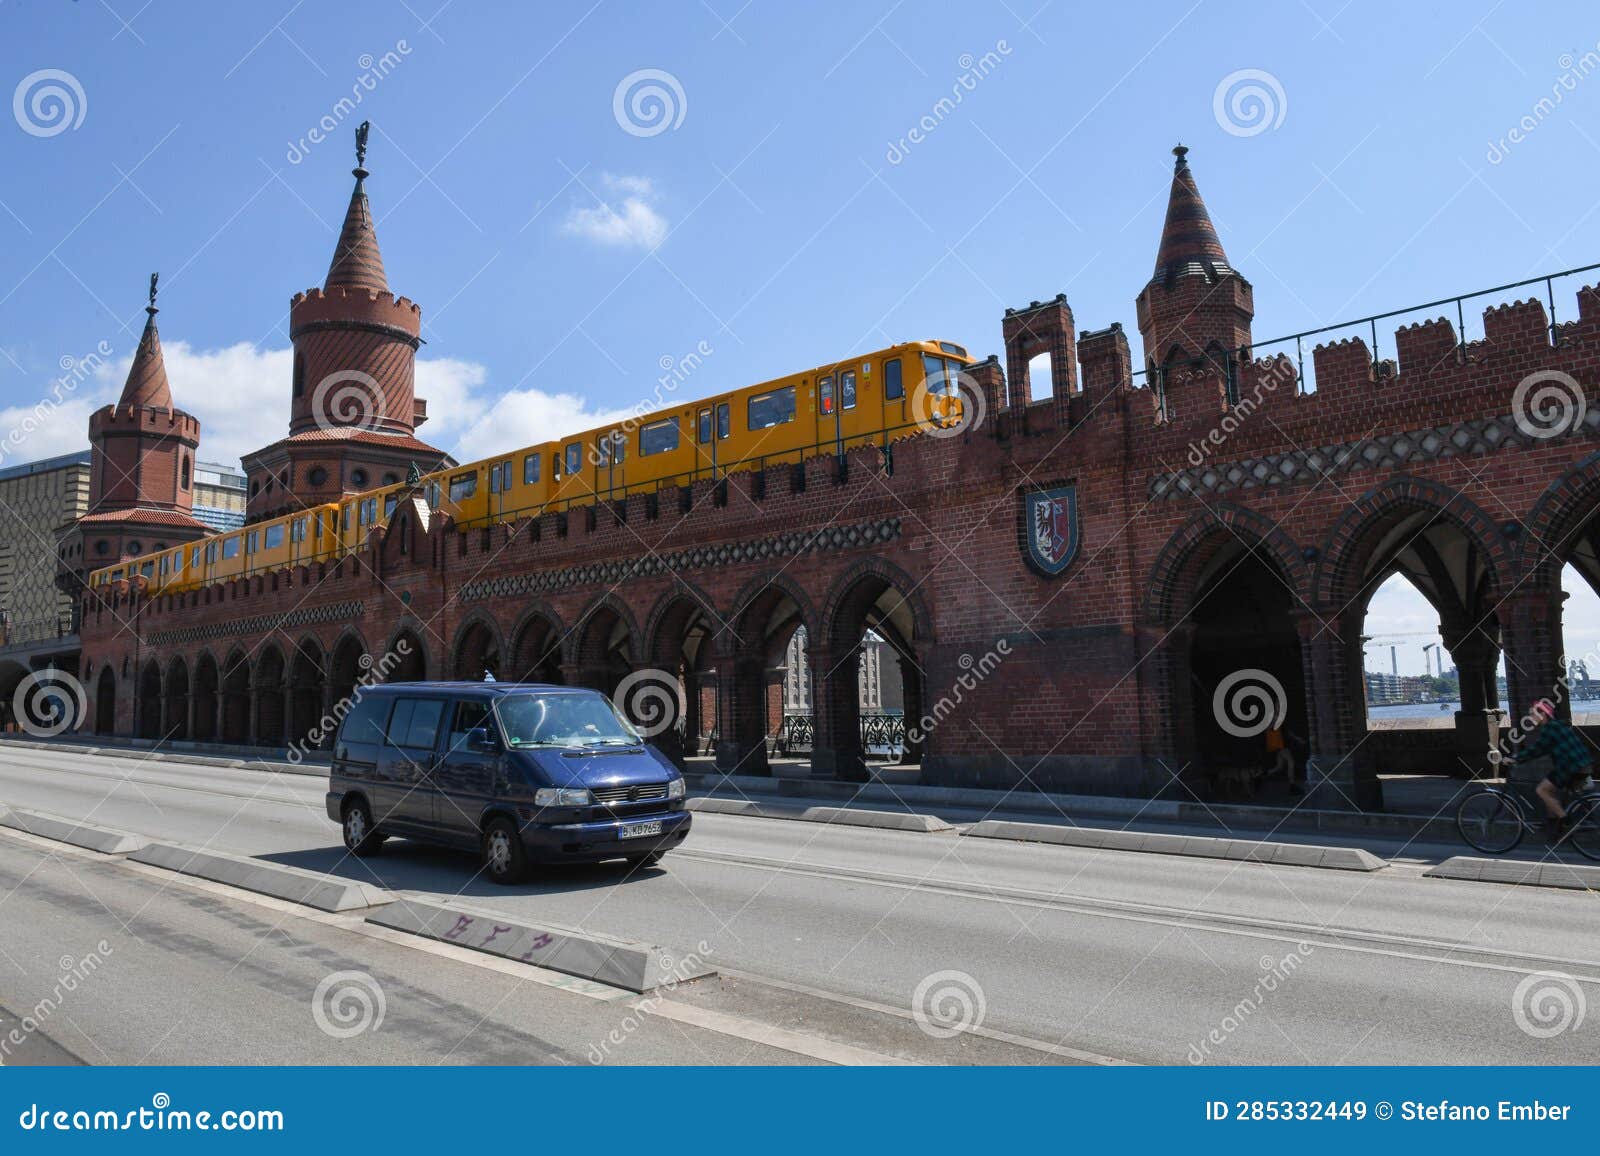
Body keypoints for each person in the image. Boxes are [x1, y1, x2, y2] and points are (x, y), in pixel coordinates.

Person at [1510, 699, 1592, 838]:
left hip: (1570, 767)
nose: (1530, 717)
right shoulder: (1558, 725)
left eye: (1532, 714)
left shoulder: (1550, 728)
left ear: (1543, 714)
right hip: (1583, 764)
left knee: (1541, 790)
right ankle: (1554, 826)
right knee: (1550, 792)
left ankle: (1566, 821)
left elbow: (1537, 749)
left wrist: (1515, 758)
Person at [1264, 724, 1304, 795]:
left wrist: (1298, 739)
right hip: (1281, 746)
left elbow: (1287, 732)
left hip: (1281, 746)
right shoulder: (1273, 721)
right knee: (1291, 762)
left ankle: (1261, 775)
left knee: (1279, 767)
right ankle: (1292, 786)